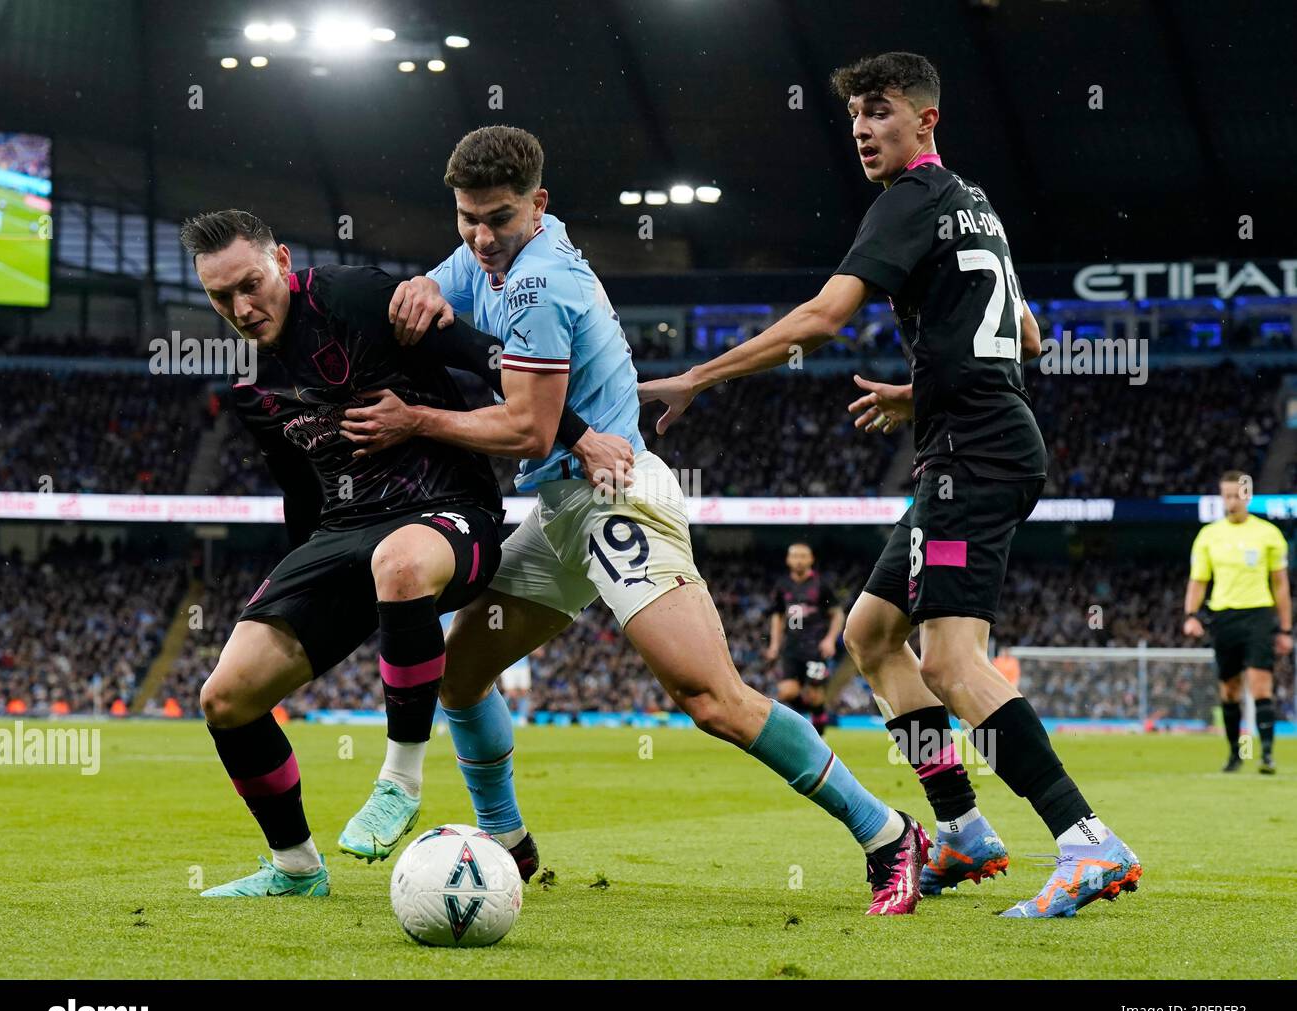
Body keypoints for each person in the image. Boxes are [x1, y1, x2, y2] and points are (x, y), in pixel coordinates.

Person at [358, 124, 929, 915]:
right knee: (459, 676)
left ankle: (889, 833)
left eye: (498, 217)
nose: (482, 237)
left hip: (617, 497)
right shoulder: (496, 252)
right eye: (467, 217)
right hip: (563, 505)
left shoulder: (540, 281)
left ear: (539, 206)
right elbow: (445, 287)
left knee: (712, 698)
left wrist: (413, 419)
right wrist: (419, 284)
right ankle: (509, 847)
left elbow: (527, 428)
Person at [638, 52, 1142, 918]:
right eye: (855, 118)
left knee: (950, 659)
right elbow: (1025, 336)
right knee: (871, 634)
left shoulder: (908, 200)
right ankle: (963, 827)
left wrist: (698, 378)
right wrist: (923, 390)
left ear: (925, 119)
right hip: (972, 443)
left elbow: (825, 318)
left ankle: (1086, 839)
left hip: (972, 458)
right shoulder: (975, 204)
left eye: (879, 112)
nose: (864, 130)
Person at [181, 209, 629, 896]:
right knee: (225, 697)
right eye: (220, 296)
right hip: (340, 533)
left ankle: (400, 779)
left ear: (280, 257)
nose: (241, 307)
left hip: (451, 511)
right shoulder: (246, 382)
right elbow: (300, 491)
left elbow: (491, 358)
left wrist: (578, 434)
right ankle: (296, 867)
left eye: (250, 284)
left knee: (400, 561)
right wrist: (310, 599)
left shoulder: (352, 296)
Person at [1184, 471, 1292, 773]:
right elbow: (1198, 581)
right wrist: (1191, 615)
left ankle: (1267, 755)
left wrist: (1284, 628)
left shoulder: (1268, 534)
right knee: (1229, 690)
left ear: (1247, 495)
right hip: (1224, 617)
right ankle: (1235, 755)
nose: (1230, 501)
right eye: (1226, 495)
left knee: (1261, 686)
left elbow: (1281, 585)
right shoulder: (1209, 535)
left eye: (1235, 495)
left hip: (1258, 614)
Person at [765, 543, 844, 735]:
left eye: (803, 556)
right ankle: (815, 716)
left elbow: (838, 614)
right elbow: (777, 615)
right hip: (791, 647)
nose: (799, 560)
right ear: (788, 560)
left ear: (811, 559)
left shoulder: (821, 585)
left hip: (816, 647)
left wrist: (830, 639)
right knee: (787, 692)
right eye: (795, 556)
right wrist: (775, 644)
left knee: (815, 695)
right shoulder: (783, 585)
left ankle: (819, 736)